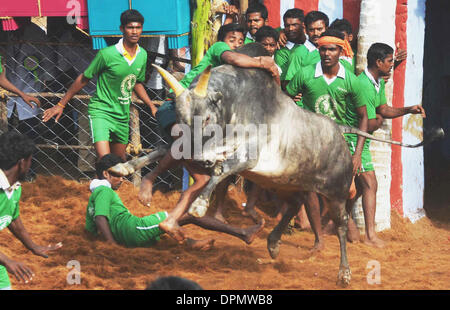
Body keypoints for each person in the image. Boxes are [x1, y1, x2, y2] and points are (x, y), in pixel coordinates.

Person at [138, 23, 279, 208]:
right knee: (186, 141)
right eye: (231, 40)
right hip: (177, 107)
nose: (236, 44)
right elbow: (234, 58)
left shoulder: (242, 70)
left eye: (240, 41)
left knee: (202, 178)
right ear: (222, 41)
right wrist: (263, 62)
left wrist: (273, 70)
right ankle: (150, 177)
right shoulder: (221, 50)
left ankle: (184, 213)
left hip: (203, 119)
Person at [285, 29, 369, 250]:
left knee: (350, 191)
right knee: (309, 188)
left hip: (341, 141)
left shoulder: (351, 80)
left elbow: (364, 118)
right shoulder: (305, 73)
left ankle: (336, 218)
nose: (326, 53)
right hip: (312, 139)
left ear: (341, 51)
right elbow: (286, 96)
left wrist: (357, 154)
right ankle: (318, 239)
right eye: (323, 48)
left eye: (332, 49)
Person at [42, 9, 157, 162]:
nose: (134, 31)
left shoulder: (142, 55)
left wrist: (151, 106)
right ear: (122, 29)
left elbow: (135, 82)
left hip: (122, 114)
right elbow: (84, 78)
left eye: (138, 27)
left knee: (118, 162)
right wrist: (61, 104)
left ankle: (101, 183)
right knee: (105, 160)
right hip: (101, 111)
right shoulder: (107, 54)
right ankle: (100, 183)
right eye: (130, 27)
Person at [343, 42, 425, 248]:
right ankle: (369, 236)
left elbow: (383, 109)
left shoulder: (377, 82)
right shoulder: (362, 84)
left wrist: (408, 110)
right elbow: (369, 122)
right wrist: (378, 122)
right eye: (389, 61)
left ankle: (339, 218)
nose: (391, 65)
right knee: (370, 184)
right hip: (354, 141)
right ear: (378, 62)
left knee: (361, 188)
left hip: (362, 140)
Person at [86, 154, 265, 248]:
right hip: (135, 229)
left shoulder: (96, 193)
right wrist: (112, 245)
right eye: (117, 175)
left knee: (181, 220)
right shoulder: (104, 190)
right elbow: (100, 218)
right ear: (106, 174)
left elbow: (92, 226)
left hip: (132, 231)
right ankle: (242, 233)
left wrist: (101, 240)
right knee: (188, 215)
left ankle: (192, 243)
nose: (122, 179)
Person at [0, 131, 62, 290]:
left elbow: (13, 219)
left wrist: (33, 247)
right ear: (22, 163)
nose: (30, 165)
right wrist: (8, 261)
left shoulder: (14, 187)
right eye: (30, 160)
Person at [283, 11, 329, 84]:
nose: (316, 33)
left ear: (327, 29)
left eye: (319, 29)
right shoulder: (298, 53)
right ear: (306, 30)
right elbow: (289, 82)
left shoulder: (333, 50)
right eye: (311, 30)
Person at [274, 8, 307, 85]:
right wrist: (278, 33)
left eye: (294, 25)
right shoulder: (280, 48)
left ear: (303, 25)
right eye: (287, 25)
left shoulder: (312, 40)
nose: (290, 29)